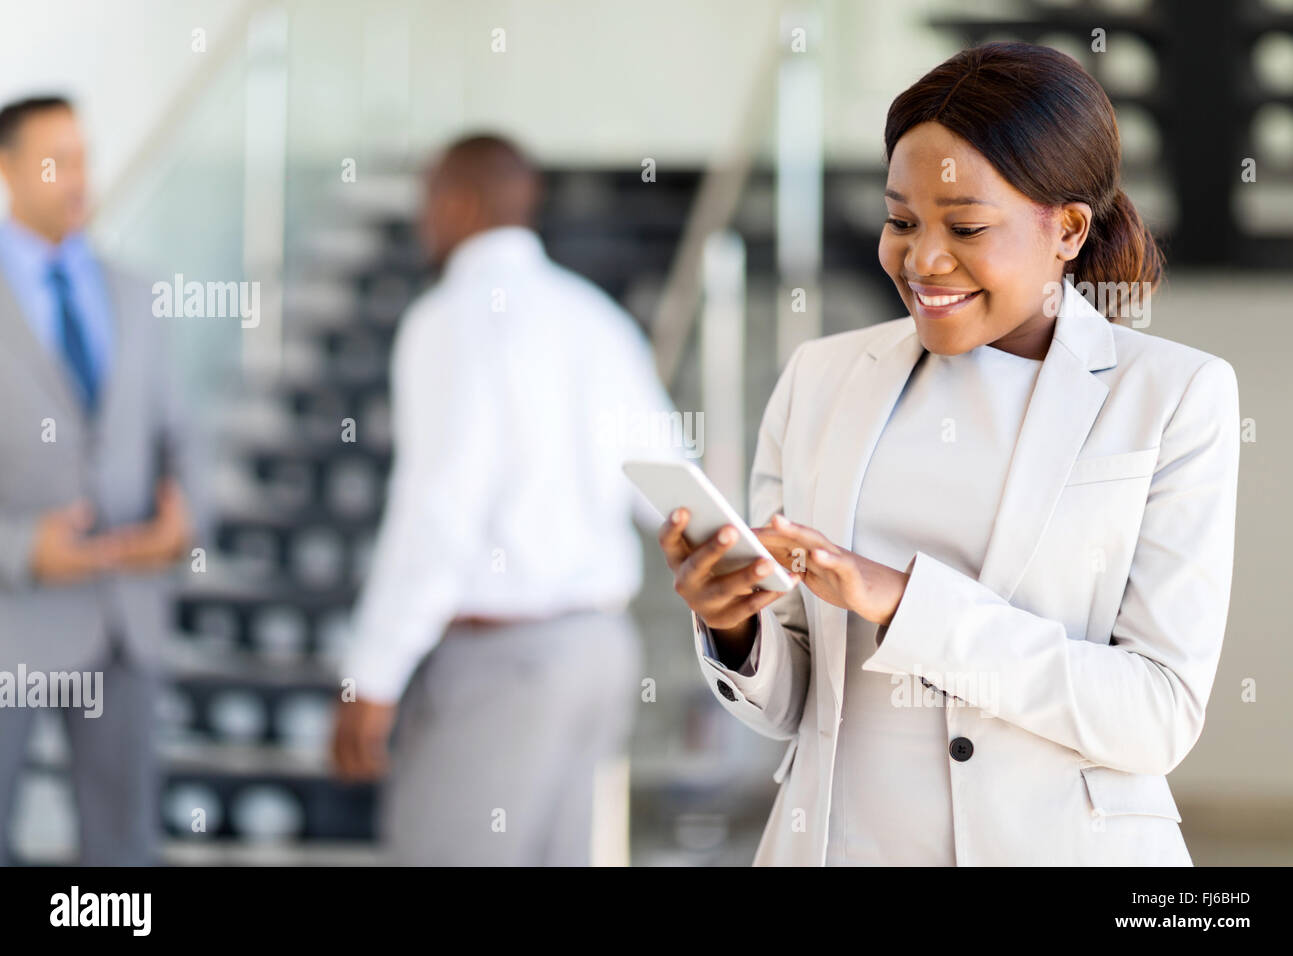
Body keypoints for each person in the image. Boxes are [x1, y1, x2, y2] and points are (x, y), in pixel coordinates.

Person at [659, 42, 1240, 866]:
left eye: (964, 226)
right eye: (901, 221)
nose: (922, 259)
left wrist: (903, 603)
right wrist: (734, 627)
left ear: (1068, 228)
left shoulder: (1173, 396)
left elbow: (1156, 714)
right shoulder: (820, 379)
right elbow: (797, 702)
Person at [331, 133, 680, 865]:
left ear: (457, 202)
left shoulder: (449, 319)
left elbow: (440, 513)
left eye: (428, 200)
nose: (424, 222)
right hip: (598, 649)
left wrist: (373, 672)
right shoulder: (594, 316)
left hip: (505, 659)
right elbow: (668, 484)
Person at [0, 95, 205, 865]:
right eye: (56, 161)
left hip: (125, 620)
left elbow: (181, 435)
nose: (77, 178)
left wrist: (186, 522)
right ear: (7, 170)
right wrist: (23, 549)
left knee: (122, 853)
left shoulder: (136, 293)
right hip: (12, 619)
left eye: (83, 158)